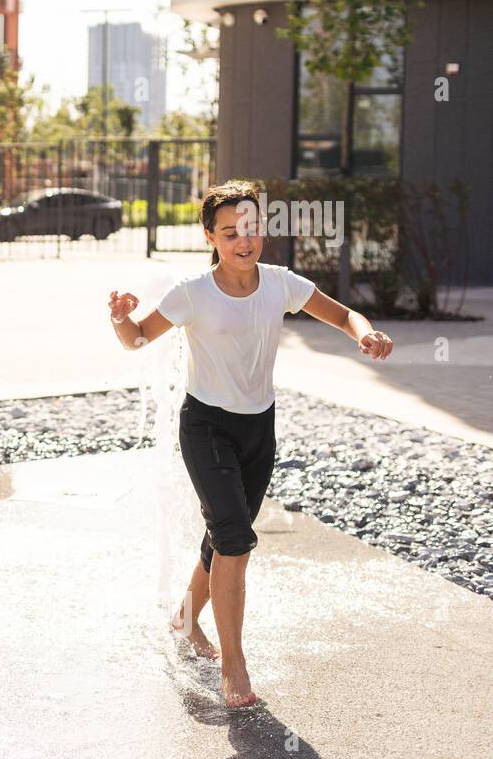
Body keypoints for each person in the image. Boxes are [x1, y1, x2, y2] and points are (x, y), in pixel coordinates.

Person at [107, 179, 393, 707]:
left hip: (259, 429)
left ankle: (184, 615)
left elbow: (341, 314)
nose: (245, 240)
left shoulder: (280, 283)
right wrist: (122, 319)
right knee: (236, 538)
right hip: (206, 427)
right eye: (231, 231)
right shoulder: (192, 292)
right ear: (211, 236)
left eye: (253, 228)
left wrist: (365, 334)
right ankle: (234, 667)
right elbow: (139, 338)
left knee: (223, 535)